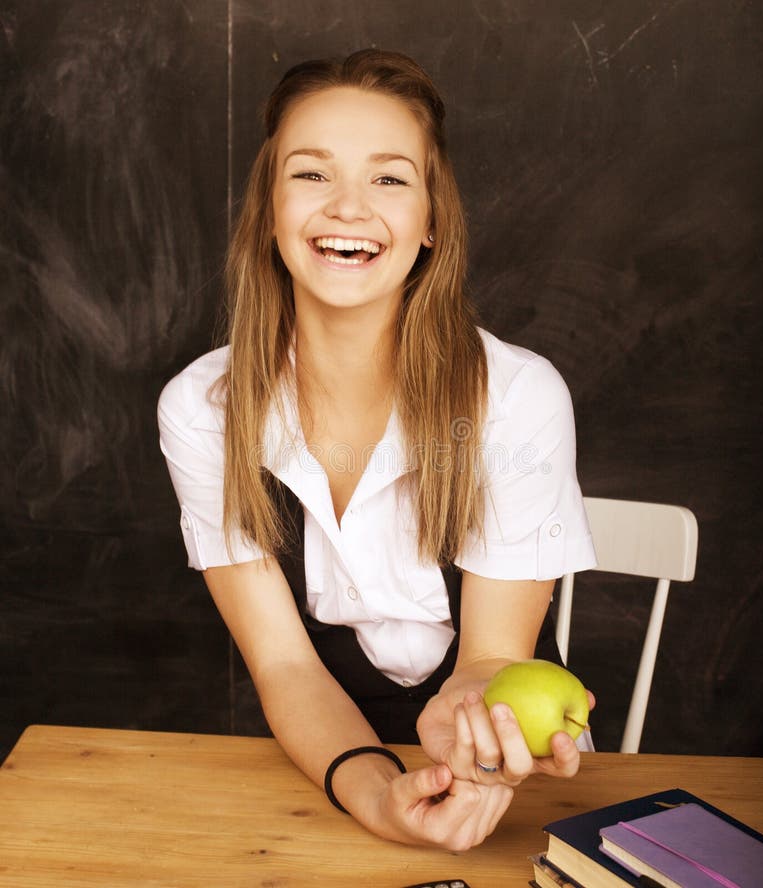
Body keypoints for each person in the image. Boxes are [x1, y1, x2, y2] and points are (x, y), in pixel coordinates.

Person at [158, 49, 597, 851]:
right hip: (320, 760)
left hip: (501, 758)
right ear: (268, 211)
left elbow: (492, 657)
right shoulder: (204, 409)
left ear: (431, 222)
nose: (348, 207)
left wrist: (470, 732)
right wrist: (376, 796)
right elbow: (286, 667)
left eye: (389, 178)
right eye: (311, 173)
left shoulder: (516, 398)